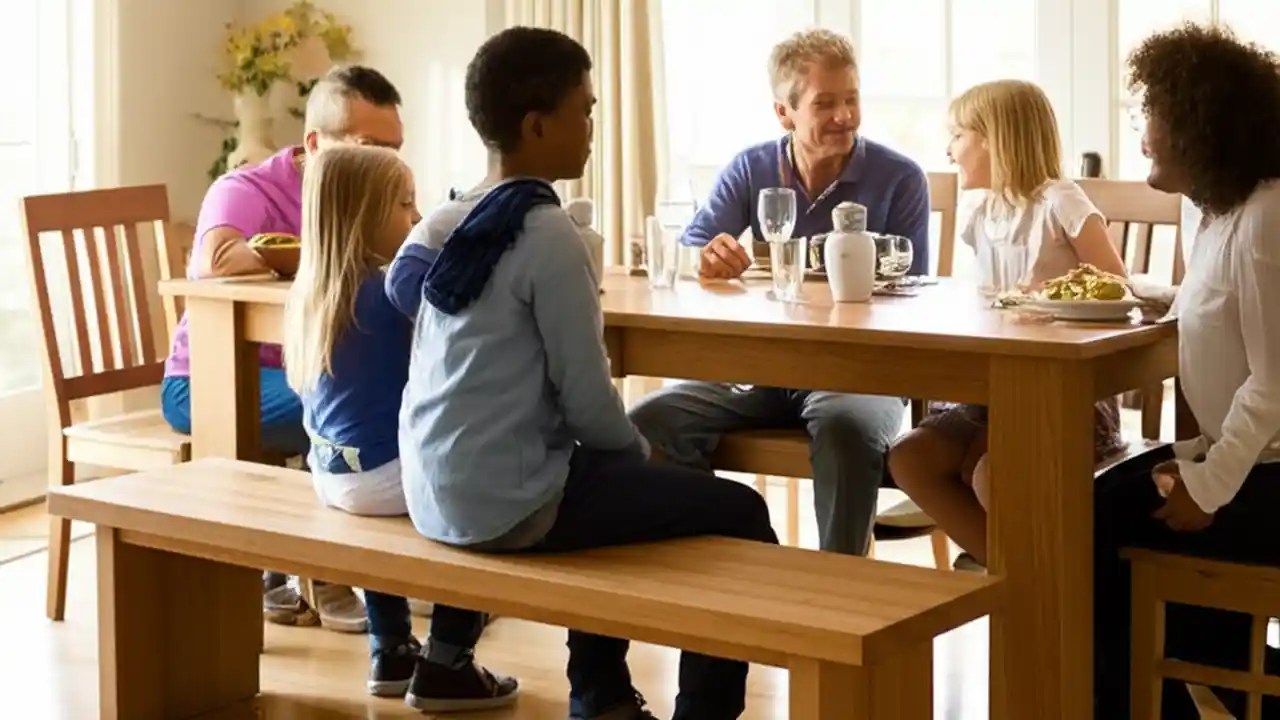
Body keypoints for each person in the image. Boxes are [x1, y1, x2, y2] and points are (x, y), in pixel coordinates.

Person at [389, 26, 778, 720]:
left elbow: (400, 288)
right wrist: (642, 455)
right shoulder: (548, 234)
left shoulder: (450, 216)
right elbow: (589, 405)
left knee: (607, 477)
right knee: (739, 511)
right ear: (538, 126)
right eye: (585, 110)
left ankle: (601, 698)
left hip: (433, 488)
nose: (592, 125)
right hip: (508, 505)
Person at [627, 28, 930, 557]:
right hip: (763, 368)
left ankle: (839, 596)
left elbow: (915, 290)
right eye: (826, 103)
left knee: (844, 430)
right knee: (648, 424)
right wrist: (707, 256)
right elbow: (692, 247)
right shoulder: (751, 169)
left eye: (852, 99)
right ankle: (722, 563)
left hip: (859, 372)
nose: (845, 116)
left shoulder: (900, 178)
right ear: (784, 113)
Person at [160, 65, 405, 631]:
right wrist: (319, 249)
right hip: (212, 377)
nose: (388, 162)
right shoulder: (246, 188)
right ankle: (323, 569)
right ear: (316, 144)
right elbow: (216, 260)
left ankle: (381, 575)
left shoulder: (377, 191)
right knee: (355, 412)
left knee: (403, 397)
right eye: (372, 147)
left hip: (313, 368)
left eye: (395, 148)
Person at [282, 144, 516, 710]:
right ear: (364, 216)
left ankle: (390, 648)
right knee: (481, 495)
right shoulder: (389, 293)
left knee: (401, 477)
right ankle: (449, 657)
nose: (415, 220)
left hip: (331, 475)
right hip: (381, 479)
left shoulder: (310, 292)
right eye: (406, 205)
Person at [1094, 23, 1280, 718]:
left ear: (1201, 124)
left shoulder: (1266, 217)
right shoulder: (1220, 212)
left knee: (1097, 524)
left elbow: (1274, 380)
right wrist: (1148, 296)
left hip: (1265, 475)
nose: (1144, 134)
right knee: (1097, 507)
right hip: (1250, 463)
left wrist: (1206, 488)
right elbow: (1225, 308)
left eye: (1153, 116)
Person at [885, 79, 1129, 570]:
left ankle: (1050, 583)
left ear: (994, 139)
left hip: (1067, 396)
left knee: (992, 474)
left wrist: (1051, 303)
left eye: (958, 136)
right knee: (909, 457)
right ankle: (1011, 567)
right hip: (991, 393)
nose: (949, 150)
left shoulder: (1062, 202)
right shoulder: (983, 215)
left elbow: (1118, 287)